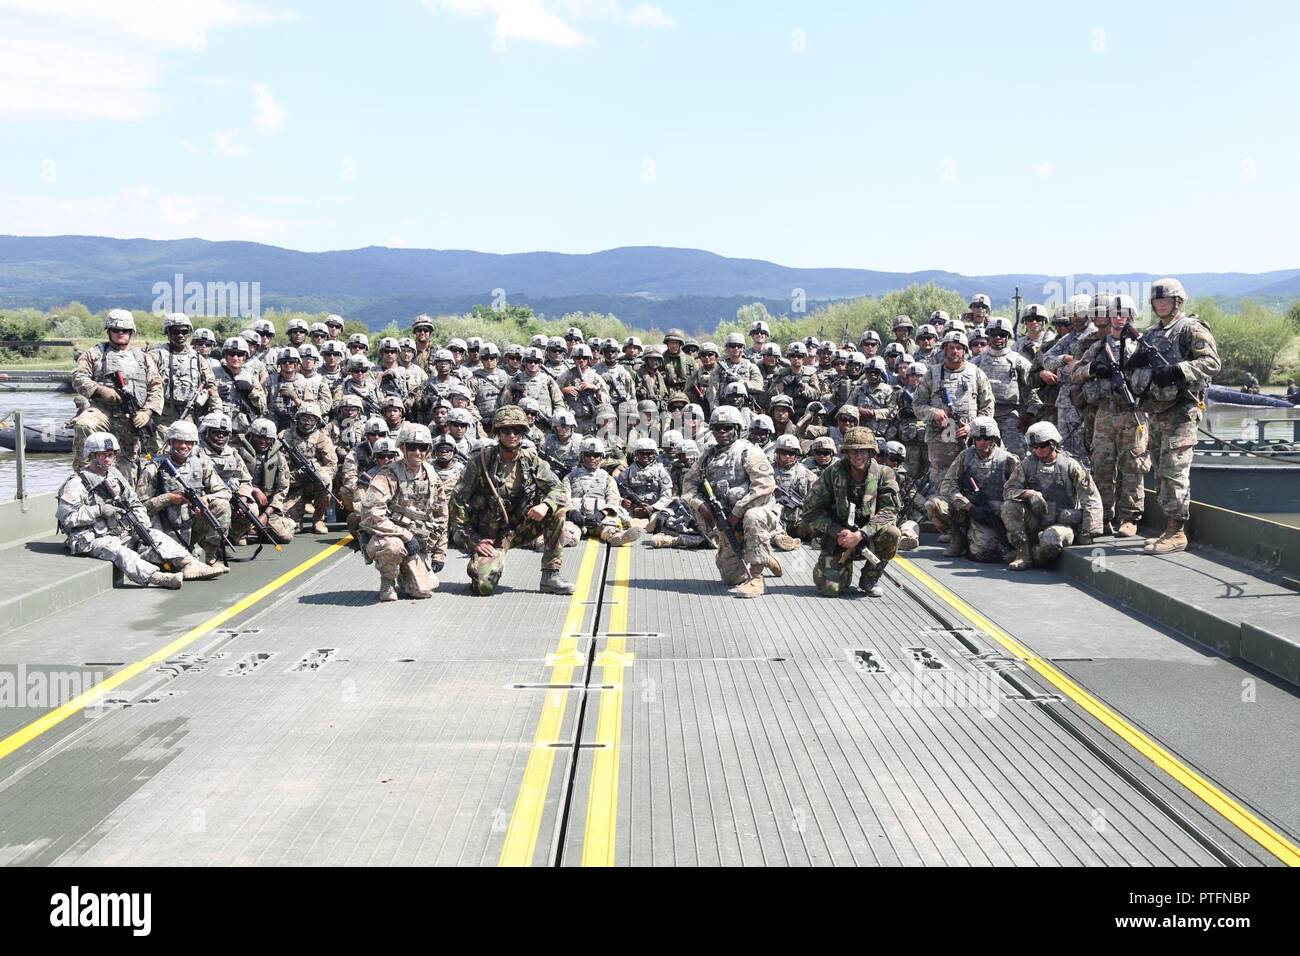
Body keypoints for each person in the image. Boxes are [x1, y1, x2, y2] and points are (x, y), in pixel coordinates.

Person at [1125, 277, 1221, 554]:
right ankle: (1169, 528)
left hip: (1181, 410)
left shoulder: (1191, 328)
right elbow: (1137, 367)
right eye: (1157, 301)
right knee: (1161, 471)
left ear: (1177, 302)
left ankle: (1177, 532)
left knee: (1175, 471)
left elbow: (1212, 363)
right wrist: (1136, 362)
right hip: (1155, 410)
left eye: (1166, 300)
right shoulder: (1152, 333)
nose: (1161, 305)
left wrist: (1178, 371)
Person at [57, 432, 223, 588]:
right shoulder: (77, 483)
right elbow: (68, 517)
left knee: (155, 536)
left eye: (111, 454)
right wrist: (98, 509)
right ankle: (158, 577)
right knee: (119, 552)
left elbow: (134, 501)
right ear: (92, 455)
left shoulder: (115, 477)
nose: (108, 459)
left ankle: (189, 563)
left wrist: (141, 523)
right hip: (92, 538)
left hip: (121, 531)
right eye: (103, 454)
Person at [448, 406, 574, 596]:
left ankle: (551, 575)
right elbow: (457, 504)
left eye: (517, 430)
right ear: (498, 433)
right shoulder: (480, 462)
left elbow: (558, 489)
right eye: (506, 431)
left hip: (520, 528)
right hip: (489, 536)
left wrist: (545, 505)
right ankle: (482, 566)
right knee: (484, 587)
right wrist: (474, 541)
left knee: (557, 511)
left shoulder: (531, 460)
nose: (512, 435)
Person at [681, 406, 783, 598]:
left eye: (727, 427)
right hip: (725, 518)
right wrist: (700, 505)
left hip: (759, 510)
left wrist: (737, 512)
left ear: (737, 428)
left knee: (753, 517)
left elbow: (764, 486)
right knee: (731, 577)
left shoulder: (749, 452)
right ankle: (764, 555)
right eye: (717, 428)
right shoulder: (707, 456)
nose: (722, 432)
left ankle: (757, 578)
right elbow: (688, 485)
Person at [1072, 294, 1150, 536]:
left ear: (1131, 317)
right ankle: (1104, 516)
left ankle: (1129, 517)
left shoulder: (1142, 345)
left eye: (1124, 314)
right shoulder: (1098, 346)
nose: (1118, 319)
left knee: (1133, 466)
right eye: (1115, 314)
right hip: (1105, 413)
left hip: (1133, 413)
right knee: (1102, 465)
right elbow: (1075, 373)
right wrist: (1094, 369)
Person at [800, 427, 901, 597]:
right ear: (846, 452)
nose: (858, 456)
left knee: (893, 533)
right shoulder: (831, 474)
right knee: (830, 589)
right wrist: (837, 531)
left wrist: (861, 534)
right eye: (853, 451)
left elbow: (889, 511)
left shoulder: (885, 473)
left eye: (863, 451)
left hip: (870, 537)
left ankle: (870, 578)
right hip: (840, 539)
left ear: (871, 452)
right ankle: (842, 572)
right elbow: (810, 512)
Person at [71, 309, 164, 482]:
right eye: (116, 330)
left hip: (132, 417)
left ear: (131, 332)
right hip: (103, 411)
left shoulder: (143, 358)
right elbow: (78, 376)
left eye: (125, 330)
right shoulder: (96, 353)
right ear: (108, 331)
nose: (121, 333)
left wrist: (147, 412)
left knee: (128, 468)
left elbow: (156, 387)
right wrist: (99, 389)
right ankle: (82, 478)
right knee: (84, 425)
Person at [359, 423, 447, 602]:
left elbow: (441, 515)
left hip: (418, 543)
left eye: (422, 447)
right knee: (392, 547)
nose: (417, 452)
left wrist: (440, 551)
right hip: (391, 537)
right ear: (402, 447)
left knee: (423, 590)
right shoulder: (388, 476)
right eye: (412, 447)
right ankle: (387, 582)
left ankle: (407, 572)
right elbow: (371, 515)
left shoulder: (432, 476)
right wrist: (405, 535)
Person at [1001, 421, 1103, 570]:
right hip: (1037, 518)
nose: (1038, 450)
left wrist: (1088, 531)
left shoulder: (1070, 465)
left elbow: (1090, 498)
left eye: (1042, 446)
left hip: (1062, 523)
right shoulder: (1027, 465)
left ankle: (1034, 553)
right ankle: (1023, 554)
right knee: (1009, 507)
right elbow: (1008, 490)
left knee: (1050, 543)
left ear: (1053, 443)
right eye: (1035, 447)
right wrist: (1029, 494)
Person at [138, 420, 233, 570]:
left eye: (188, 442)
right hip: (165, 528)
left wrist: (207, 498)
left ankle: (212, 557)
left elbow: (225, 491)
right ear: (171, 441)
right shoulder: (154, 468)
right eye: (179, 442)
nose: (183, 446)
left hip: (191, 525)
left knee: (222, 505)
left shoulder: (200, 464)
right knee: (172, 565)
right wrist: (168, 498)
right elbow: (139, 508)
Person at [925, 417, 1017, 562]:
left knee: (982, 552)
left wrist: (999, 507)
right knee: (934, 505)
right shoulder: (965, 456)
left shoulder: (1007, 459)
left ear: (994, 439)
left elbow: (1017, 488)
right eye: (978, 438)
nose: (982, 442)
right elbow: (948, 483)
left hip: (993, 512)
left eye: (986, 438)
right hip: (968, 507)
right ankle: (957, 537)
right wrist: (963, 501)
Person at [914, 330, 994, 488]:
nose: (955, 351)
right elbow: (917, 405)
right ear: (945, 349)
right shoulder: (932, 374)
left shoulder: (976, 374)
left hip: (971, 438)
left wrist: (972, 427)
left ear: (965, 350)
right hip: (941, 439)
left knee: (973, 481)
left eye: (959, 347)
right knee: (941, 484)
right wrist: (933, 412)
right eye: (951, 347)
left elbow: (988, 407)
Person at [147, 312, 221, 445]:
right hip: (162, 414)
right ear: (168, 333)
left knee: (187, 449)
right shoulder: (157, 355)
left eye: (184, 331)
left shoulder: (197, 358)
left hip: (188, 413)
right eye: (175, 332)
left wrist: (217, 413)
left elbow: (212, 386)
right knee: (160, 450)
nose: (180, 335)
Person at [971, 316, 1040, 455]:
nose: (998, 338)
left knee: (1017, 454)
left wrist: (1030, 413)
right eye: (994, 334)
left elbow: (1034, 387)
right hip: (983, 415)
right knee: (981, 455)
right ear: (988, 335)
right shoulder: (976, 362)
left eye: (1002, 335)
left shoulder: (1018, 361)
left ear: (1008, 337)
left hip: (1011, 415)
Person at [563, 438, 642, 547]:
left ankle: (617, 537)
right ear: (582, 456)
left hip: (600, 519)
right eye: (588, 455)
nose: (592, 458)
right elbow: (563, 497)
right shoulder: (570, 477)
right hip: (576, 518)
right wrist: (571, 512)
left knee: (610, 526)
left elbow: (614, 499)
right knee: (568, 529)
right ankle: (568, 538)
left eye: (596, 455)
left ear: (601, 457)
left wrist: (602, 514)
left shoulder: (607, 478)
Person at [234, 417, 296, 545]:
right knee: (240, 539)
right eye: (259, 437)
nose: (263, 441)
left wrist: (267, 514)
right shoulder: (237, 452)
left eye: (267, 438)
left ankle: (287, 523)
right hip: (244, 501)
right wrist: (254, 489)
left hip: (268, 505)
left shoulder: (279, 457)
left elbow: (283, 489)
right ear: (251, 436)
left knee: (284, 537)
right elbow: (232, 479)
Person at [279, 402, 338, 535]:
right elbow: (278, 467)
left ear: (317, 421)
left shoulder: (323, 438)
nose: (307, 422)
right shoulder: (285, 437)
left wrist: (317, 472)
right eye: (304, 418)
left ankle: (318, 519)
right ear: (297, 418)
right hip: (292, 486)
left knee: (325, 481)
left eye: (312, 419)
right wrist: (296, 475)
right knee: (291, 527)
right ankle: (297, 515)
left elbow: (331, 466)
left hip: (314, 484)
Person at [771, 433, 814, 550]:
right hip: (776, 520)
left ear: (797, 455)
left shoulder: (805, 474)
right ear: (777, 453)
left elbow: (819, 496)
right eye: (783, 453)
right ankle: (779, 539)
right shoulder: (768, 473)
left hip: (799, 520)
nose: (787, 457)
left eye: (791, 453)